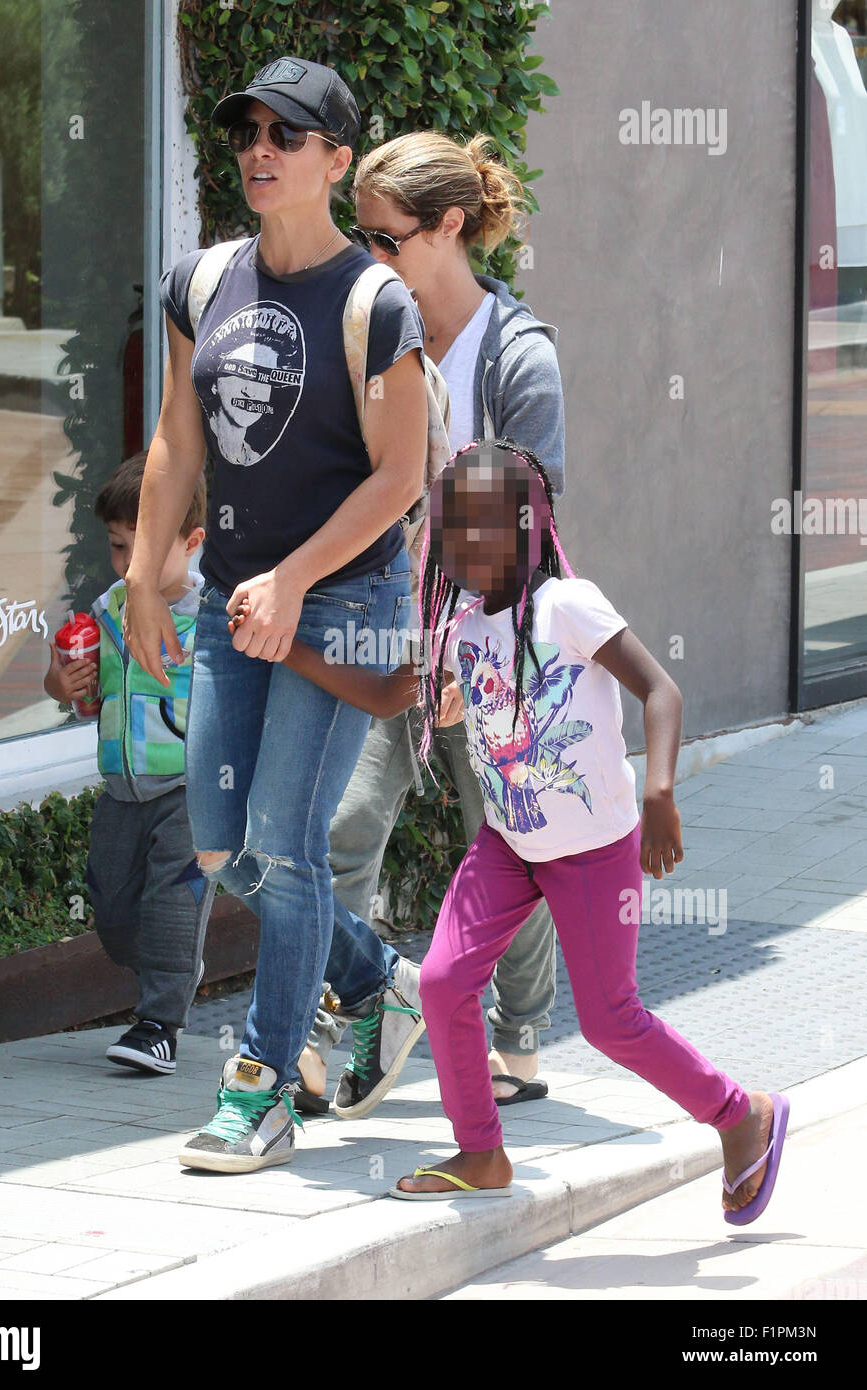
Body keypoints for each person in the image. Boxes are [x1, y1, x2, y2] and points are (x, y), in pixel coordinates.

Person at [259, 438, 789, 1221]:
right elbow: (383, 696)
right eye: (452, 531)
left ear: (527, 522)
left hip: (592, 851)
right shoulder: (462, 631)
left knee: (612, 1022)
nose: (466, 547)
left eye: (484, 527)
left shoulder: (568, 606)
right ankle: (482, 1151)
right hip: (508, 845)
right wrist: (290, 648)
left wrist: (662, 796)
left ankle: (741, 1116)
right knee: (440, 982)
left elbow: (662, 691)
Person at [121, 56, 429, 1173]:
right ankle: (374, 978)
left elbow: (400, 478)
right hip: (232, 602)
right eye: (250, 130)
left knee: (287, 852)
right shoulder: (201, 283)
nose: (261, 149)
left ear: (337, 162)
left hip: (342, 606)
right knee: (220, 848)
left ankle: (264, 1085)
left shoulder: (374, 303)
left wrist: (296, 577)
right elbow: (175, 439)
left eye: (288, 135)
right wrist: (151, 571)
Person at [298, 131, 565, 1117]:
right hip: (384, 636)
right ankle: (355, 1012)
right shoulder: (370, 337)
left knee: (508, 835)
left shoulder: (516, 352)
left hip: (491, 639)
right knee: (337, 829)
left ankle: (520, 1036)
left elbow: (533, 513)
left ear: (450, 226)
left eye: (387, 240)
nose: (369, 260)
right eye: (358, 237)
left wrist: (469, 643)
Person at [43, 451, 214, 1073]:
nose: (126, 566)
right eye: (118, 548)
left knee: (174, 898)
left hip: (188, 789)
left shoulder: (213, 618)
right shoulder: (108, 609)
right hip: (121, 789)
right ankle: (163, 976)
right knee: (114, 912)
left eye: (140, 551)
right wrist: (63, 685)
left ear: (192, 541)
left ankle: (159, 1022)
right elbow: (79, 691)